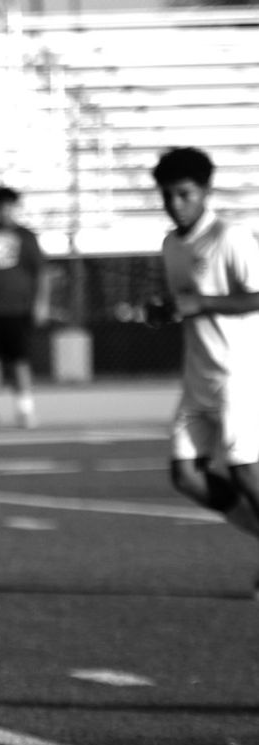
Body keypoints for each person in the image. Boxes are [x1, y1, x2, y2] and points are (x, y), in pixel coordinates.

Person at [149, 146, 259, 595]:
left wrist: (201, 304)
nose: (176, 204)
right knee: (186, 474)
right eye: (168, 195)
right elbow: (184, 303)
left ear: (206, 192)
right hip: (198, 377)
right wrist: (164, 311)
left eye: (185, 194)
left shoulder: (230, 237)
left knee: (244, 471)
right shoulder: (171, 244)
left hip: (238, 373)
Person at [0, 185, 49, 429]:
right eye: (0, 205)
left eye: (8, 205)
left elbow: (41, 272)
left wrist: (41, 303)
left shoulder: (26, 236)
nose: (4, 210)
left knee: (19, 361)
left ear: (15, 207)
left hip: (18, 309)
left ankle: (26, 411)